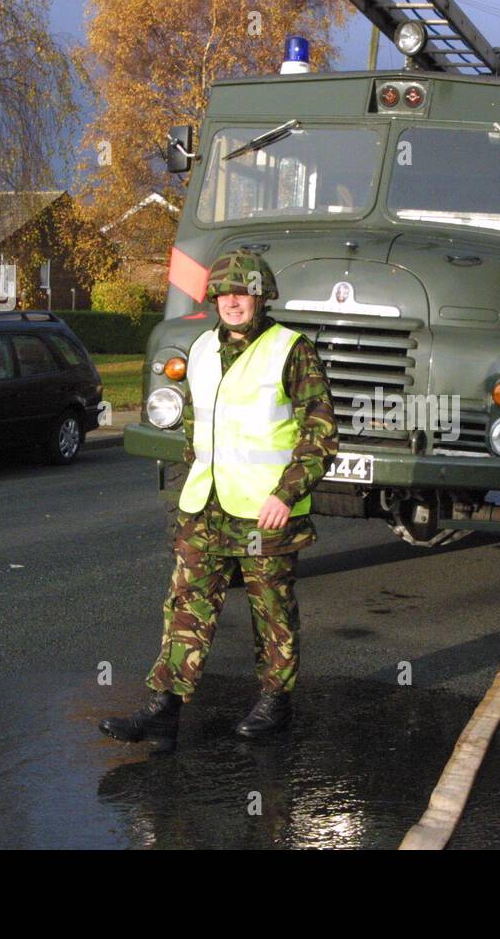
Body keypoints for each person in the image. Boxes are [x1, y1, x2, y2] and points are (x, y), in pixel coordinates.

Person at [100, 249, 338, 751]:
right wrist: (191, 476)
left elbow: (320, 435)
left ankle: (276, 701)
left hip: (264, 512)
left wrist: (287, 492)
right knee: (185, 605)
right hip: (204, 506)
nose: (233, 301)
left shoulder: (291, 350)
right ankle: (163, 709)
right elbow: (195, 425)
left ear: (261, 297)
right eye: (224, 292)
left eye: (243, 292)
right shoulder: (202, 348)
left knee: (270, 611)